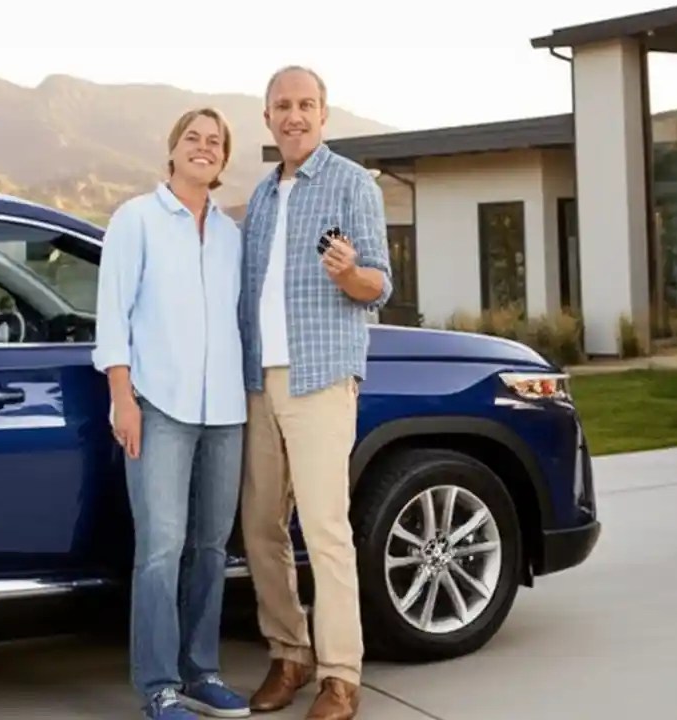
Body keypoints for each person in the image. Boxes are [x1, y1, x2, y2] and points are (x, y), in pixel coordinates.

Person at [237, 66, 393, 720]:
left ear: (323, 114)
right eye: (282, 106)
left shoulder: (353, 183)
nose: (293, 115)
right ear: (267, 118)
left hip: (321, 377)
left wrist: (351, 272)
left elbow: (379, 285)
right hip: (259, 381)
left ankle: (340, 675)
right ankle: (289, 654)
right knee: (261, 526)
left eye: (305, 105)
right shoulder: (263, 196)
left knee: (325, 529)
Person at [92, 107, 252, 720]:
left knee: (211, 547)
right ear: (173, 149)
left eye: (215, 142)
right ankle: (158, 685)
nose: (203, 148)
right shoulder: (136, 220)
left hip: (226, 411)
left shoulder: (233, 236)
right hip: (158, 405)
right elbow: (114, 316)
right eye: (194, 138)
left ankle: (201, 670)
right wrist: (122, 397)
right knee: (160, 547)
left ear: (222, 158)